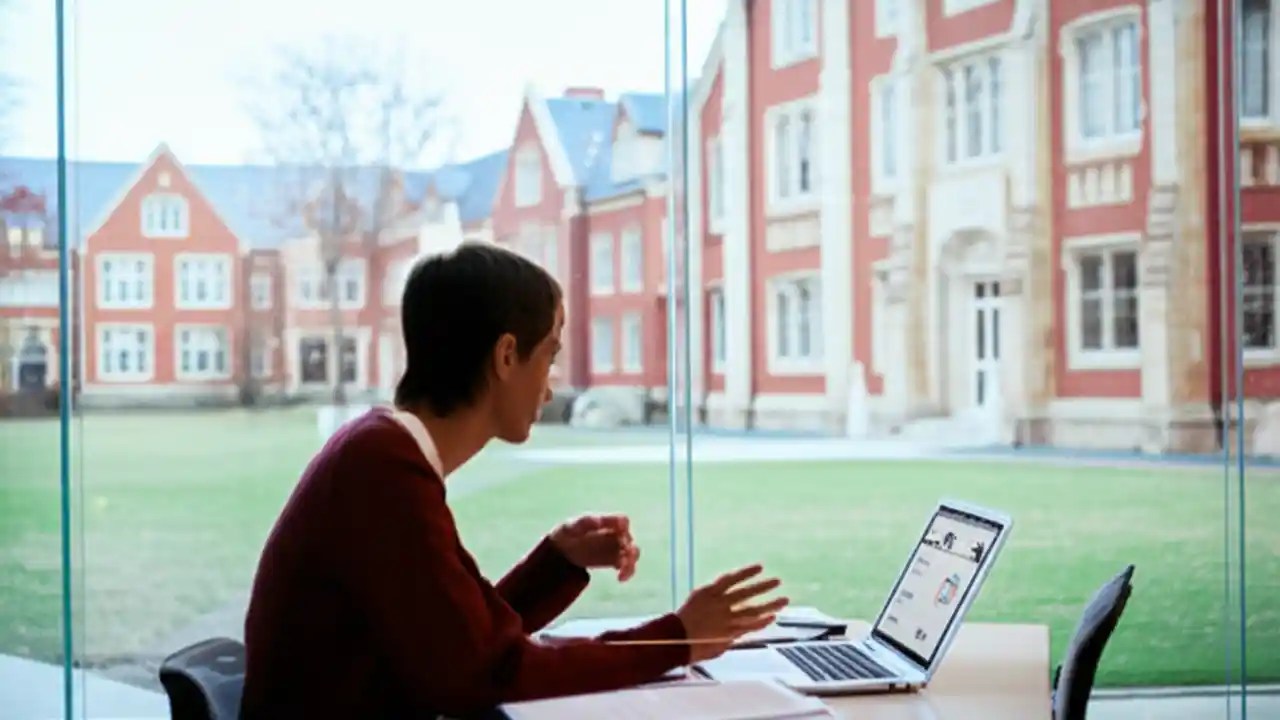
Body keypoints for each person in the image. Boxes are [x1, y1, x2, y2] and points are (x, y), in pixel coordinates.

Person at [240, 242, 787, 718]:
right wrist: (678, 638)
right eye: (549, 356)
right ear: (506, 356)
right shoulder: (383, 471)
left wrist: (557, 563)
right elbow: (487, 673)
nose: (549, 387)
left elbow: (456, 644)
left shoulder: (379, 451)